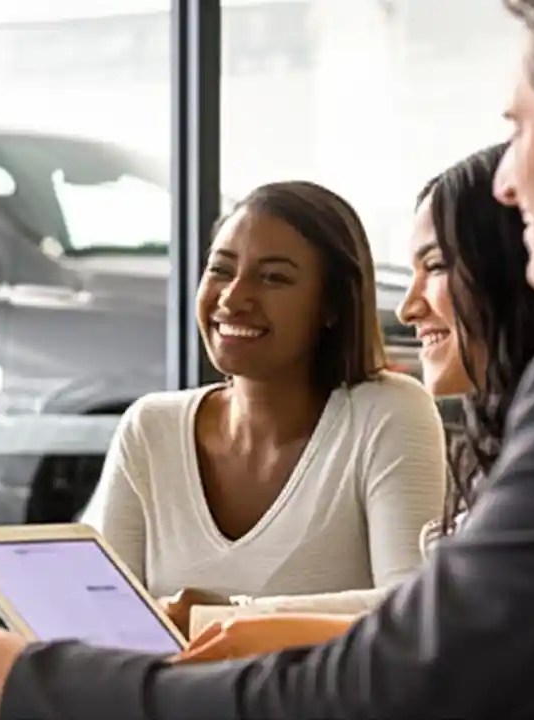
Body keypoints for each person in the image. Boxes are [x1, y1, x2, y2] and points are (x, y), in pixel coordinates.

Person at [0, 0, 534, 716]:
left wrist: (39, 688)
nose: (507, 182)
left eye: (519, 130)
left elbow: (412, 672)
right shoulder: (152, 425)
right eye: (220, 268)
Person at [173, 142, 534, 658]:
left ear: (516, 267)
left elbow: (435, 637)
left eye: (436, 266)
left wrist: (230, 620)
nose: (409, 306)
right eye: (220, 269)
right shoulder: (510, 448)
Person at [78, 180, 446, 637]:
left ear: (332, 304)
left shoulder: (389, 411)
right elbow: (103, 619)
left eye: (274, 277)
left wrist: (217, 617)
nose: (233, 298)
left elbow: (412, 605)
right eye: (220, 270)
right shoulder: (150, 427)